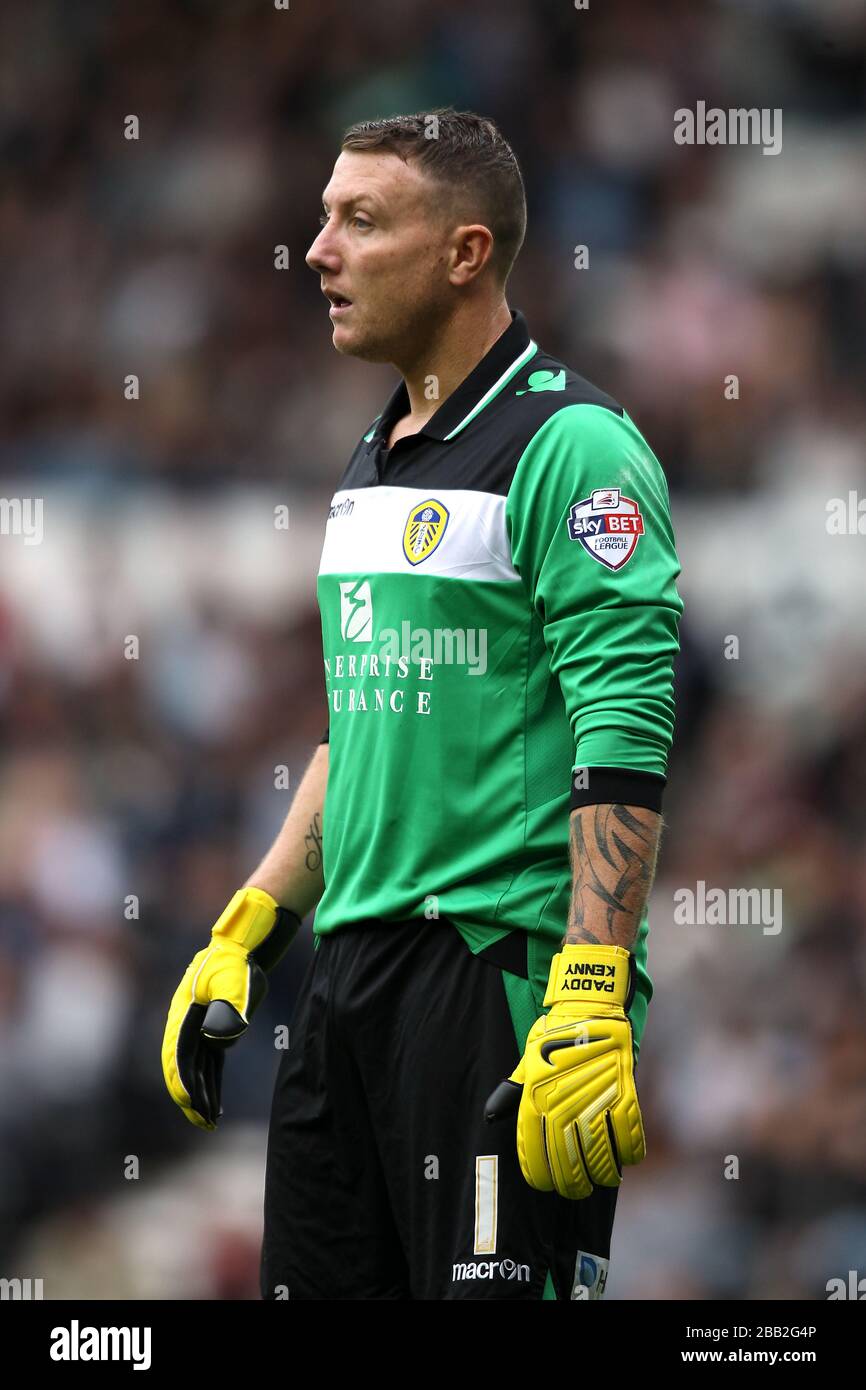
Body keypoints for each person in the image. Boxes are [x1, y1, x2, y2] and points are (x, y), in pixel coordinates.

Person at [162, 107, 683, 1301]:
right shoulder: (375, 459)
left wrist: (591, 990)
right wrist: (249, 928)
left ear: (461, 253)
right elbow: (362, 729)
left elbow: (624, 731)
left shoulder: (573, 445)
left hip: (491, 981)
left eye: (359, 219)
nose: (315, 248)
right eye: (323, 214)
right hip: (348, 988)